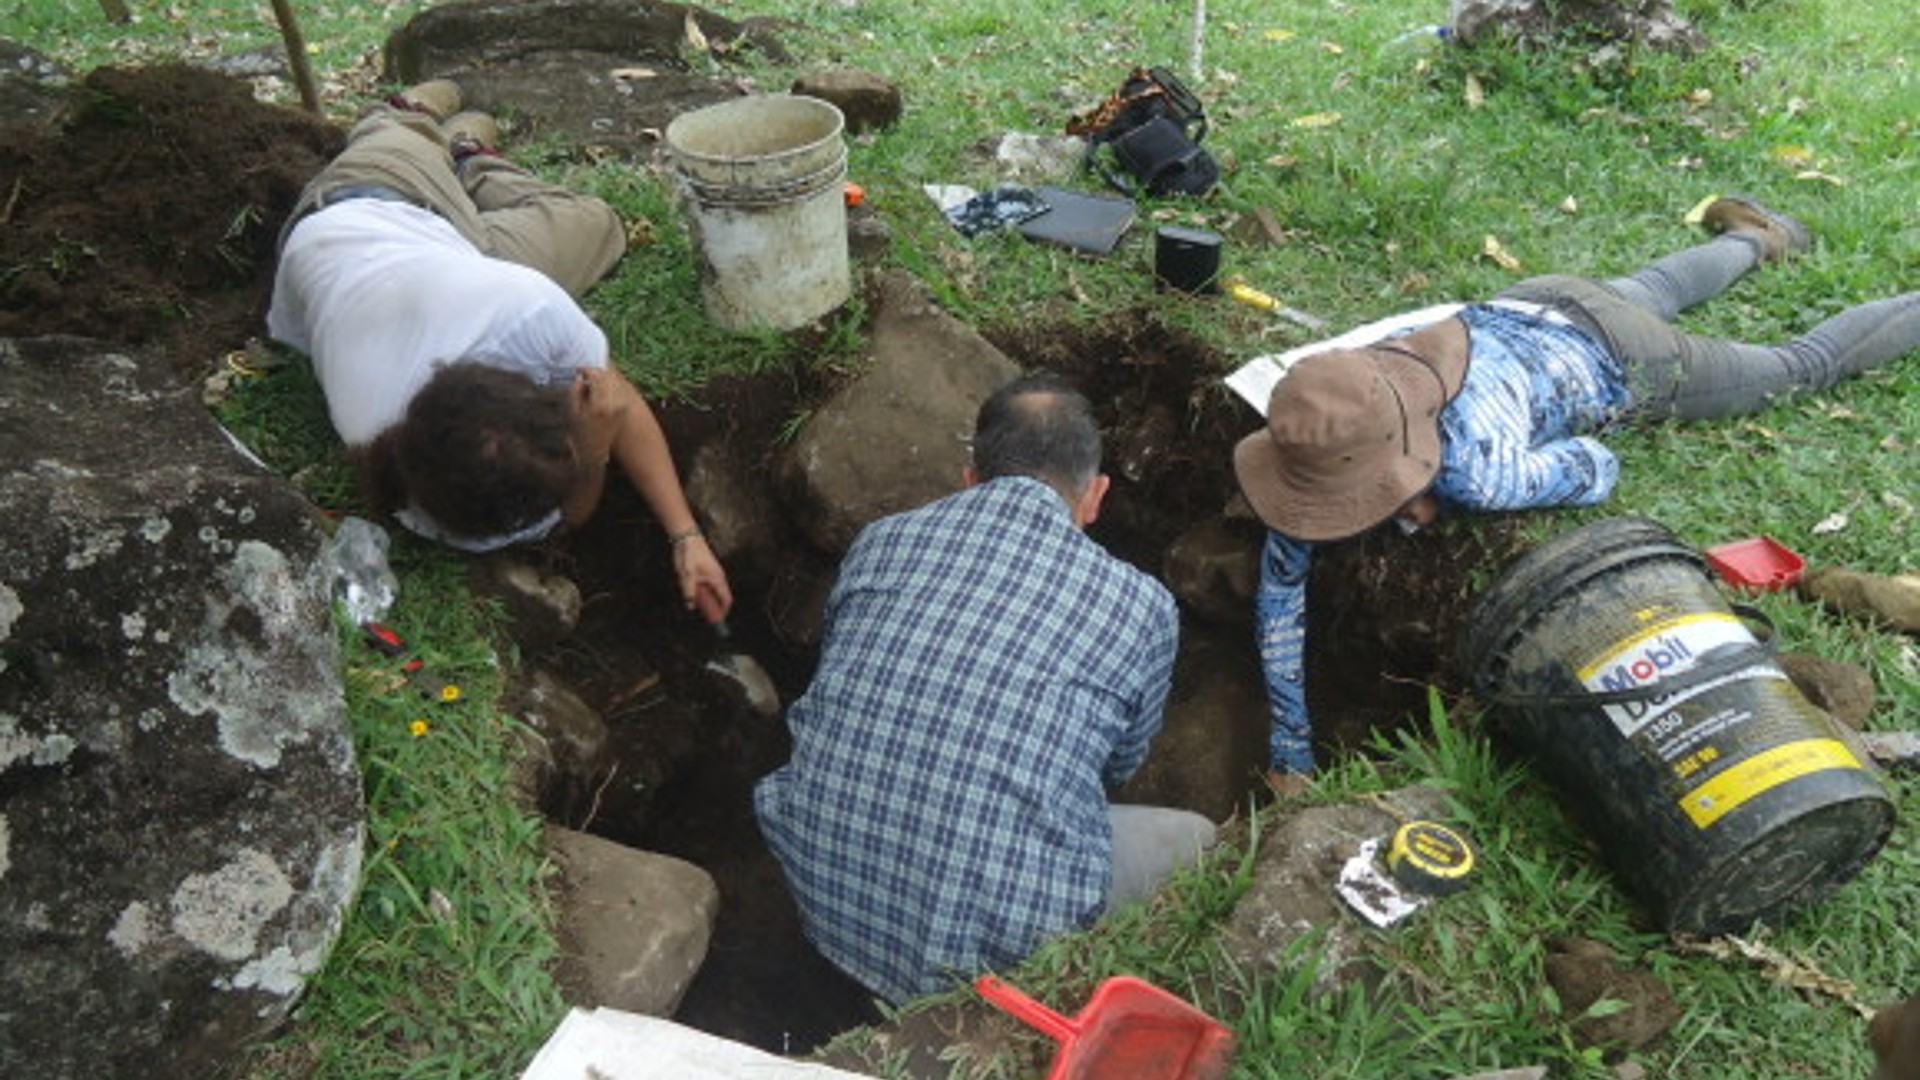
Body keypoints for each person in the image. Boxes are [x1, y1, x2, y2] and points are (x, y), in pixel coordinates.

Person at [1232, 196, 1920, 780]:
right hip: (1534, 301)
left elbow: (1596, 464)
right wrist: (1291, 755)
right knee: (1654, 286)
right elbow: (1280, 598)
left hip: (1621, 357)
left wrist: (1438, 499)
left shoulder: (1479, 468)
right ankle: (1756, 234)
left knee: (1795, 365)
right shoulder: (1335, 410)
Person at [754, 373, 1218, 1005]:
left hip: (825, 894)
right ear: (1096, 497)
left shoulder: (881, 542)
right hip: (989, 963)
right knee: (1196, 841)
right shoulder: (1141, 606)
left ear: (971, 476)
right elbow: (1119, 767)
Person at [267, 79, 731, 617]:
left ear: (518, 377)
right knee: (583, 219)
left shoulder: (523, 308)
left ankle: (448, 144)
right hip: (395, 231)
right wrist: (595, 449)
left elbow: (613, 396)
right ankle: (442, 140)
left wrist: (686, 536)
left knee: (589, 222)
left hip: (383, 200)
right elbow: (568, 517)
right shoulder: (429, 494)